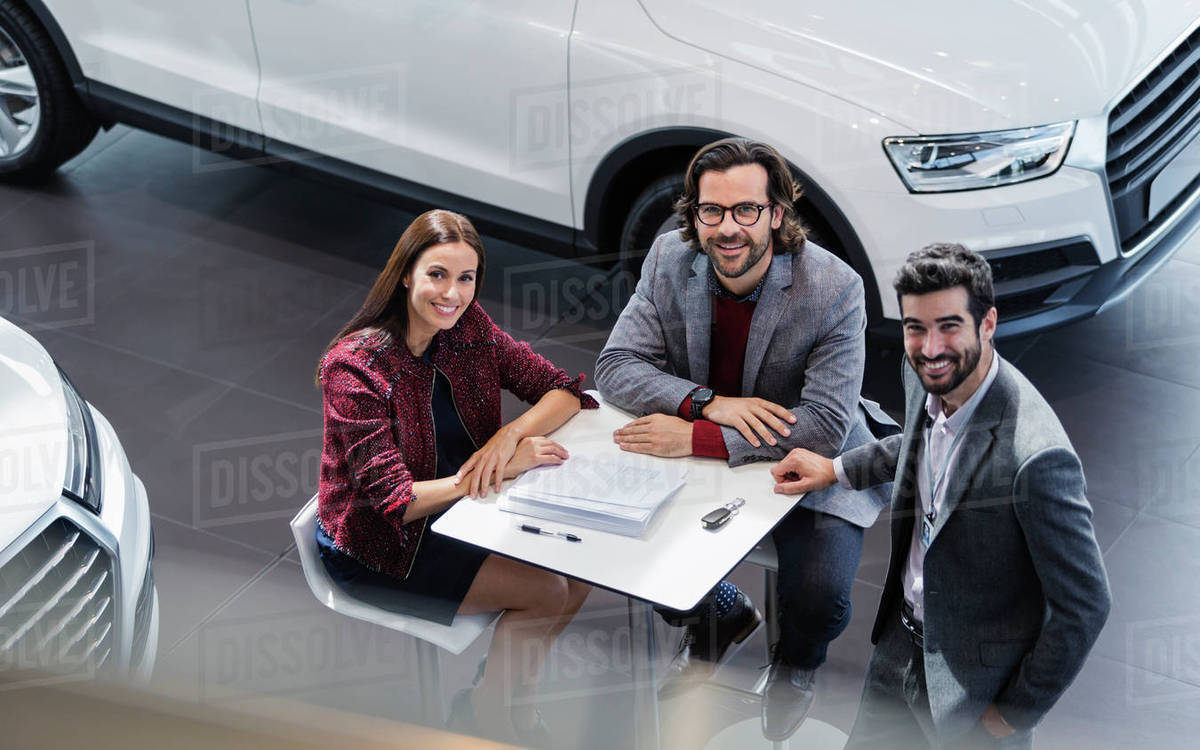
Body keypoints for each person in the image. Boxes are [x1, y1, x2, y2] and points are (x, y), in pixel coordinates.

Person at [595, 137, 895, 740]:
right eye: (713, 211)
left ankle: (797, 665)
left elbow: (824, 425)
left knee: (818, 595)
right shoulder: (666, 260)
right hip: (706, 436)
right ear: (694, 214)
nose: (728, 228)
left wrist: (699, 438)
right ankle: (718, 615)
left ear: (776, 214)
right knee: (627, 548)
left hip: (810, 463)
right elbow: (616, 365)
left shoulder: (834, 287)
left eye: (746, 211)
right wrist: (710, 405)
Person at [772, 243, 1111, 748]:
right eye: (916, 328)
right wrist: (834, 468)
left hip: (973, 695)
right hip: (897, 647)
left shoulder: (1037, 458)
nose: (931, 347)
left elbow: (1086, 605)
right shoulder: (924, 375)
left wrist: (1010, 716)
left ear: (988, 323)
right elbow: (916, 443)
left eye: (949, 326)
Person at [314, 209, 596, 747]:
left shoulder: (467, 328)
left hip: (463, 510)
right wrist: (499, 470)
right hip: (381, 544)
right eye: (437, 275)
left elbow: (563, 390)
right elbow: (395, 503)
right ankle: (495, 722)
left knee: (580, 571)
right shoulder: (354, 369)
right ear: (405, 274)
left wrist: (503, 441)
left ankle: (502, 702)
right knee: (544, 592)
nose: (453, 294)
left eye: (465, 278)